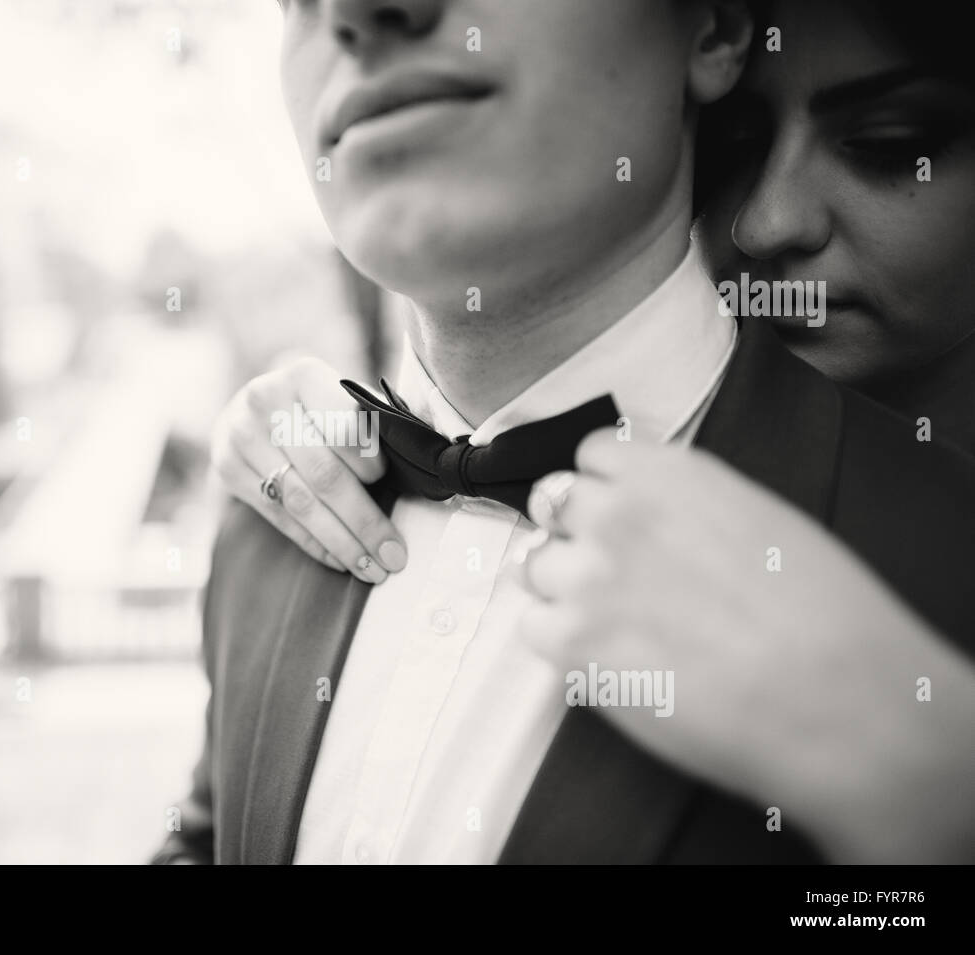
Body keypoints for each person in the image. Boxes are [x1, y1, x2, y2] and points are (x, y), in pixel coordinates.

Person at [155, 0, 975, 864]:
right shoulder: (266, 513)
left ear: (714, 29)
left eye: (885, 144)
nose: (357, 12)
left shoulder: (941, 576)